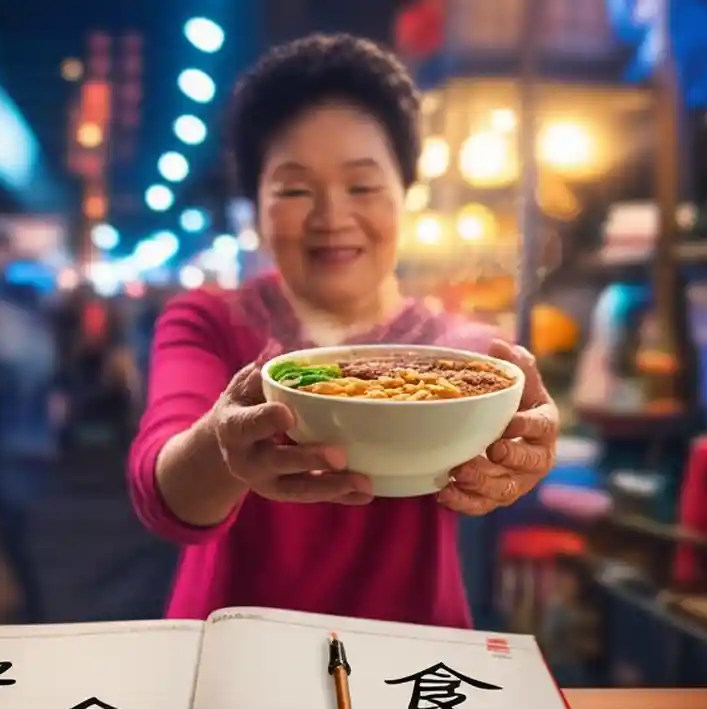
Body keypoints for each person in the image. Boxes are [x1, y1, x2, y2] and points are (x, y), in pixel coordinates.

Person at [127, 34, 559, 629]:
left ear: (405, 193)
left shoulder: (465, 353)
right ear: (255, 205)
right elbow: (163, 497)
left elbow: (502, 472)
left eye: (362, 186)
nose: (333, 218)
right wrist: (224, 446)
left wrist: (521, 452)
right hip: (235, 643)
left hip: (413, 654)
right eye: (296, 189)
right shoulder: (208, 320)